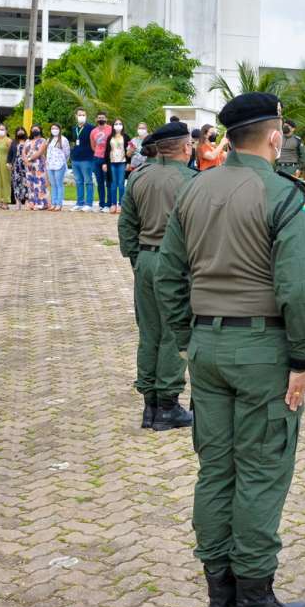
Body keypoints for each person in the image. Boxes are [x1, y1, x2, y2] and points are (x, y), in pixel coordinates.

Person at [155, 92, 305, 607]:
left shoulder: (196, 189)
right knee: (261, 470)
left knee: (215, 470)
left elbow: (167, 276)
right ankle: (253, 604)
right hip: (262, 350)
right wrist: (301, 357)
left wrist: (188, 338)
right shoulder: (281, 194)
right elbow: (299, 286)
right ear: (275, 137)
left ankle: (218, 605)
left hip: (207, 346)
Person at [119, 121, 197, 430]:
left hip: (147, 260)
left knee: (149, 331)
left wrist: (139, 260)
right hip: (176, 263)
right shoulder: (191, 180)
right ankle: (167, 404)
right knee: (173, 332)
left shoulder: (138, 178)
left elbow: (126, 227)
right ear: (185, 148)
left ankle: (149, 404)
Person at [69, 108, 97, 211]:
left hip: (87, 159)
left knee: (88, 181)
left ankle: (88, 204)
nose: (82, 117)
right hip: (75, 159)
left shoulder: (91, 128)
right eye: (80, 115)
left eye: (83, 115)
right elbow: (74, 142)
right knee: (78, 181)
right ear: (76, 116)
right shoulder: (74, 128)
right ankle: (79, 203)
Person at [91, 111, 114, 211]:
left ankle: (108, 204)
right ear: (96, 119)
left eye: (103, 117)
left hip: (108, 159)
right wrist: (98, 153)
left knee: (108, 182)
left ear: (106, 119)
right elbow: (93, 146)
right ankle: (101, 204)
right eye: (99, 117)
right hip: (97, 158)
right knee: (100, 183)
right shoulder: (93, 131)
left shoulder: (110, 129)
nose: (101, 119)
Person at [46, 123, 71, 212]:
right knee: (53, 185)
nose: (54, 130)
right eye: (52, 128)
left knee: (59, 184)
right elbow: (48, 152)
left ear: (60, 129)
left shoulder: (63, 140)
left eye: (56, 128)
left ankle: (59, 204)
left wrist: (63, 161)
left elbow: (67, 153)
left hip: (59, 164)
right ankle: (53, 203)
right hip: (50, 165)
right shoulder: (49, 140)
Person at [24, 125, 49, 210]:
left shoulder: (43, 140)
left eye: (37, 129)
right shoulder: (28, 141)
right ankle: (32, 202)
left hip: (39, 164)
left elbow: (40, 152)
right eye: (33, 129)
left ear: (40, 130)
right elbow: (23, 152)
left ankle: (42, 203)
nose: (35, 131)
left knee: (39, 184)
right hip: (28, 165)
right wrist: (26, 161)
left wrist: (30, 159)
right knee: (30, 184)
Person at [108, 118, 129, 213]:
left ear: (123, 125)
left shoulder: (126, 136)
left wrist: (128, 162)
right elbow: (106, 151)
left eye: (120, 123)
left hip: (122, 162)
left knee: (121, 184)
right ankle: (113, 204)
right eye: (116, 124)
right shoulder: (110, 137)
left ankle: (121, 204)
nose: (118, 125)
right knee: (113, 184)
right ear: (113, 125)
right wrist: (105, 163)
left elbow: (129, 151)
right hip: (112, 162)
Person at [10, 127, 29, 210]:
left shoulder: (28, 141)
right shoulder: (14, 142)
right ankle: (18, 202)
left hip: (26, 164)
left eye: (22, 131)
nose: (20, 133)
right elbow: (10, 153)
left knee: (26, 182)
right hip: (16, 164)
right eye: (18, 131)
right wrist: (9, 163)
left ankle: (27, 201)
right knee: (16, 183)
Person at [0, 127, 13, 208]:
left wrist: (10, 162)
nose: (0, 131)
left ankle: (6, 201)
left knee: (6, 181)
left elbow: (11, 153)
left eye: (2, 129)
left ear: (6, 131)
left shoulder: (8, 140)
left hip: (5, 162)